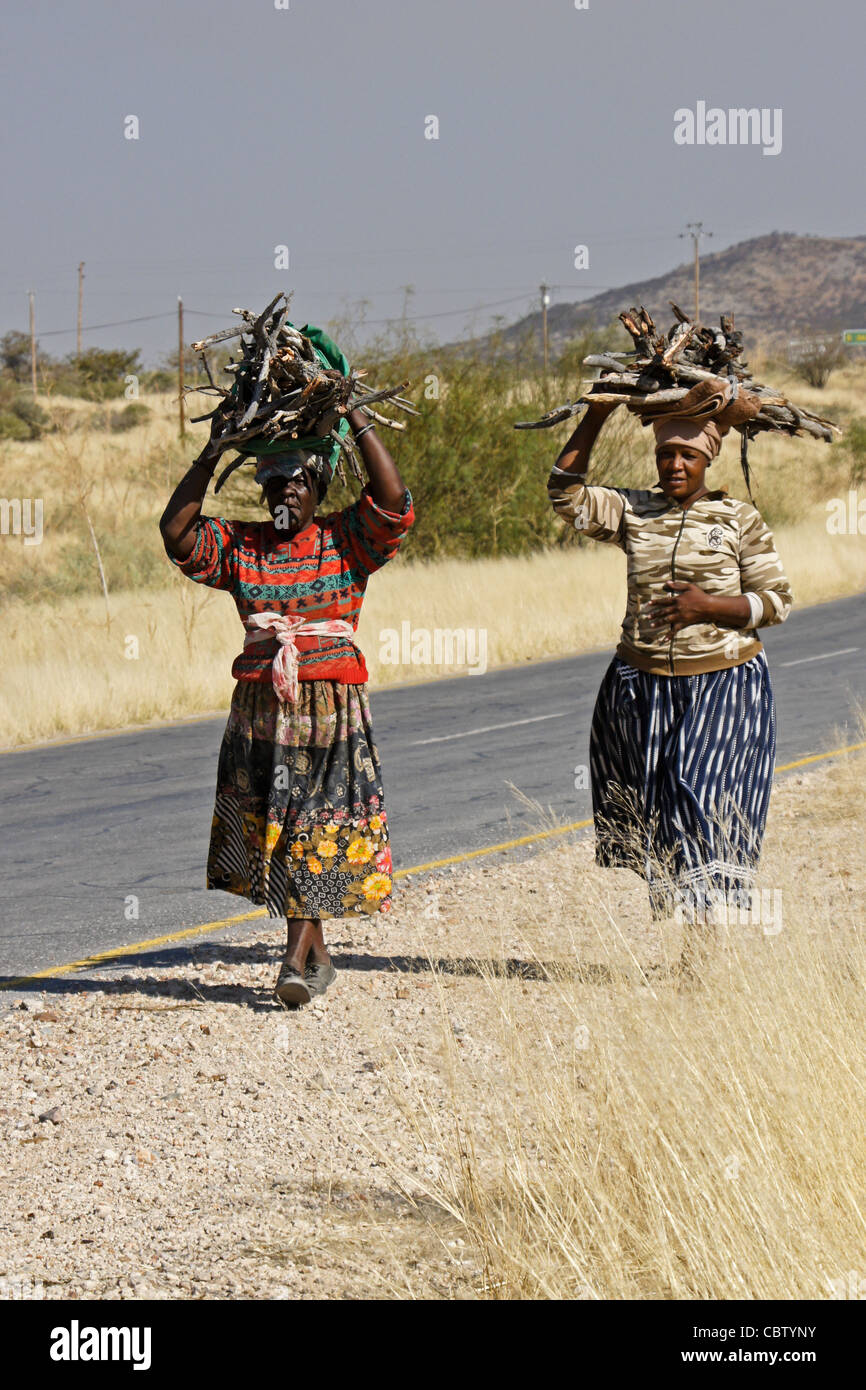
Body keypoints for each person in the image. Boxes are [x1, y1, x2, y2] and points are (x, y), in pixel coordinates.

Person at [159, 353, 414, 1008]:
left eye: (298, 482)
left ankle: (293, 963)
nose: (284, 495)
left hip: (330, 711)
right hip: (263, 711)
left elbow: (393, 503)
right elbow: (176, 533)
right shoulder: (241, 548)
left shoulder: (346, 540)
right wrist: (213, 450)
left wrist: (353, 410)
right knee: (287, 831)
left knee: (310, 827)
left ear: (321, 486)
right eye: (272, 484)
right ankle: (317, 957)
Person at [547, 400, 793, 944]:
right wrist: (597, 413)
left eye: (688, 455)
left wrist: (710, 607)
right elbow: (564, 492)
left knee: (697, 793)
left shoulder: (738, 520)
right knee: (654, 812)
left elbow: (777, 602)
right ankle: (691, 928)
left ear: (708, 460)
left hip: (725, 684)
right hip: (641, 688)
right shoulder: (635, 512)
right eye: (665, 454)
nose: (675, 465)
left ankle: (700, 951)